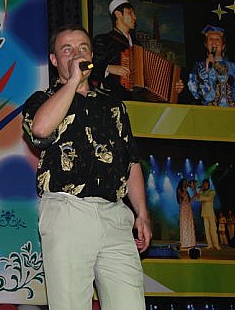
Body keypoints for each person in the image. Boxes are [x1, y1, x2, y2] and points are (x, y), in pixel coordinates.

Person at [22, 25, 151, 310]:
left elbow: (131, 162)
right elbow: (40, 130)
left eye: (83, 48)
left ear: (91, 56)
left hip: (115, 214)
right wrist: (72, 82)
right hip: (68, 210)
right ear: (54, 60)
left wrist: (141, 212)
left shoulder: (113, 106)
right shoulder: (41, 100)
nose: (76, 54)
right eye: (67, 49)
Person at [187, 25, 235, 107]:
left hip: (234, 112)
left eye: (217, 39)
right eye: (210, 39)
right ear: (205, 44)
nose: (214, 42)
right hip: (209, 112)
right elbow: (195, 94)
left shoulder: (234, 67)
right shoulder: (198, 67)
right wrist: (207, 71)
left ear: (223, 46)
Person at [198, 179, 221, 250]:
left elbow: (209, 198)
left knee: (213, 229)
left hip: (210, 212)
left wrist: (201, 197)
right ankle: (209, 244)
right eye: (203, 183)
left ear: (208, 184)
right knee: (206, 230)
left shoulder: (212, 191)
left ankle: (216, 245)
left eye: (205, 183)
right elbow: (198, 199)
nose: (204, 185)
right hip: (204, 213)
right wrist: (200, 191)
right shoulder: (201, 191)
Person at [176, 179, 196, 249]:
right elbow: (182, 196)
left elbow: (189, 201)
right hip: (183, 209)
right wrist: (186, 189)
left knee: (189, 225)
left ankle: (191, 242)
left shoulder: (186, 191)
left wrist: (194, 194)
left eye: (186, 182)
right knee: (184, 225)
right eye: (184, 182)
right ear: (181, 183)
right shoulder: (179, 189)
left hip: (188, 209)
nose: (186, 183)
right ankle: (184, 242)